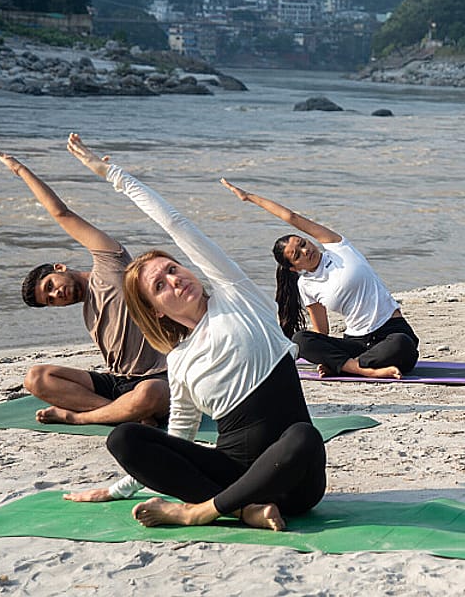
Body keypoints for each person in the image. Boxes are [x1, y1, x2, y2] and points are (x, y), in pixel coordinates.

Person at [63, 134, 326, 531]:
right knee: (125, 440)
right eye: (159, 286)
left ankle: (199, 512)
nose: (173, 280)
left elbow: (175, 223)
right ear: (154, 310)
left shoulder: (235, 295)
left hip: (296, 481)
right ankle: (242, 511)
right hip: (231, 474)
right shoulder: (180, 361)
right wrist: (118, 490)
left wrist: (113, 174)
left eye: (172, 269)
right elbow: (179, 441)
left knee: (303, 436)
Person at [0, 147, 168, 426]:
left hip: (158, 378)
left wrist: (20, 170)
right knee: (36, 378)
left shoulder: (111, 263)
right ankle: (120, 413)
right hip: (119, 384)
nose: (56, 295)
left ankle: (81, 417)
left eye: (50, 285)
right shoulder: (90, 316)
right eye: (50, 300)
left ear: (59, 267)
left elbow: (62, 214)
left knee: (151, 392)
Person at [220, 178, 419, 380]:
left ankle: (347, 367)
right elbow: (321, 332)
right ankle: (362, 369)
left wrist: (249, 197)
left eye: (303, 243)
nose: (306, 251)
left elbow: (292, 217)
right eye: (297, 255)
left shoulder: (338, 247)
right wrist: (319, 349)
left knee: (402, 344)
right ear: (294, 268)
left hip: (391, 332)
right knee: (301, 340)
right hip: (356, 343)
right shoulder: (305, 285)